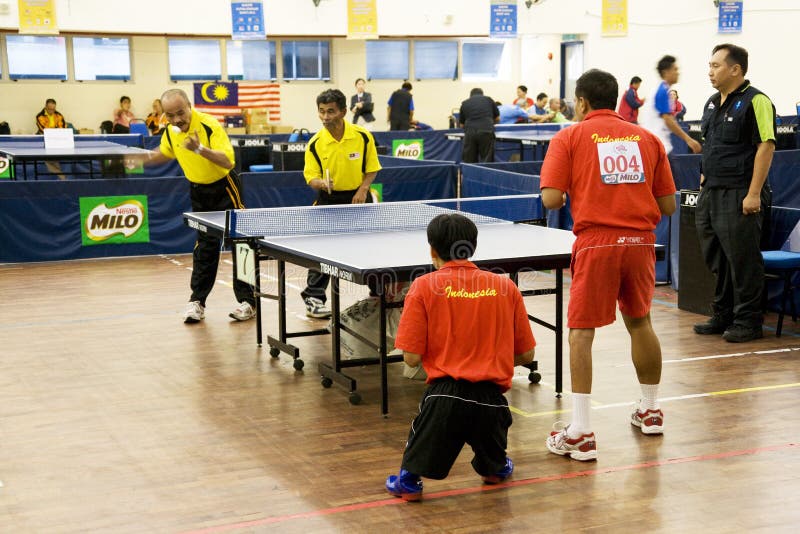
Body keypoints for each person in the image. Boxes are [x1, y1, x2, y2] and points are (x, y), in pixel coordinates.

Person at [540, 69, 677, 461]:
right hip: (640, 243)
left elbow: (551, 199)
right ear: (616, 98)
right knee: (641, 322)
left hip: (597, 243)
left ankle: (581, 432)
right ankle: (650, 410)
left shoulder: (569, 136)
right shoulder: (648, 140)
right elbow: (668, 205)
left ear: (581, 102)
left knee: (581, 334)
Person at [385, 213, 536, 501]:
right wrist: (488, 356)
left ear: (432, 250)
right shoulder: (506, 287)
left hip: (444, 399)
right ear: (473, 247)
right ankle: (495, 467)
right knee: (495, 473)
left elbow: (412, 359)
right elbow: (526, 354)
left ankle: (409, 480)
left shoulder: (423, 286)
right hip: (492, 403)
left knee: (409, 486)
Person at [143, 89, 256, 324]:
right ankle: (197, 301)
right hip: (198, 191)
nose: (176, 120)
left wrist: (200, 149)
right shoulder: (171, 131)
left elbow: (228, 161)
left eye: (180, 113)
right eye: (170, 115)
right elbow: (165, 153)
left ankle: (248, 302)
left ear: (190, 106)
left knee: (241, 243)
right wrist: (135, 161)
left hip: (224, 187)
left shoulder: (208, 125)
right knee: (205, 246)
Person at [693, 44, 776, 343]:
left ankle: (749, 321)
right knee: (717, 258)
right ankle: (724, 313)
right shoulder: (712, 103)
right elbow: (710, 145)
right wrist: (704, 178)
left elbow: (765, 146)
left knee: (743, 259)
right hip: (712, 192)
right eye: (710, 64)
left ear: (735, 69)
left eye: (716, 65)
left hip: (741, 192)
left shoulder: (757, 101)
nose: (710, 71)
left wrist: (753, 194)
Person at [301, 89, 382, 318]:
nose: (326, 117)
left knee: (371, 245)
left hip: (359, 198)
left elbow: (372, 168)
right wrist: (321, 182)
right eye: (322, 112)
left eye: (331, 112)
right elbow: (310, 177)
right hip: (329, 199)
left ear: (343, 112)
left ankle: (378, 292)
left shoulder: (362, 136)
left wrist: (363, 189)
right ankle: (314, 298)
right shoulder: (315, 143)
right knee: (322, 248)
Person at [639, 55, 702, 155]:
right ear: (666, 72)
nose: (678, 72)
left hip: (656, 143)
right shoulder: (662, 91)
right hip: (656, 144)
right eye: (675, 69)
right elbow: (668, 120)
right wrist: (689, 139)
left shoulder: (660, 89)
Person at [458, 88, 499, 163]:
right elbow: (497, 118)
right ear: (482, 94)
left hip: (470, 132)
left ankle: (470, 174)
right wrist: (490, 124)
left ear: (470, 95)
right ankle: (487, 174)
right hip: (486, 130)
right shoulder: (488, 100)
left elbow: (461, 125)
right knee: (487, 159)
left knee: (469, 160)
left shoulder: (464, 103)